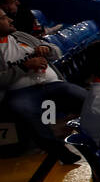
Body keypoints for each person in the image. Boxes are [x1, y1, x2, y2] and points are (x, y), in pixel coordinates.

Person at [0, 9, 84, 163]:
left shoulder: (20, 36)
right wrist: (24, 67)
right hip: (20, 92)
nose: (10, 20)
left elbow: (56, 52)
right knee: (25, 111)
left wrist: (47, 50)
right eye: (4, 18)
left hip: (52, 84)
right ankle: (57, 150)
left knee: (87, 98)